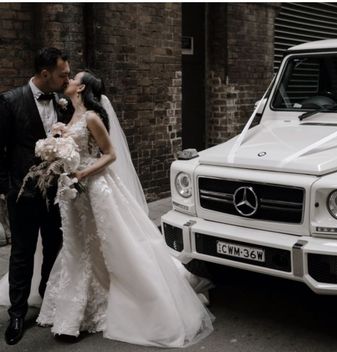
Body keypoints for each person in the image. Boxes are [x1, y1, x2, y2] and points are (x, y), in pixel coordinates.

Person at [36, 71, 214, 347]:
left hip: (94, 189)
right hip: (72, 193)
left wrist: (82, 174)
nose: (68, 80)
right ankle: (74, 311)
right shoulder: (69, 116)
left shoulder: (92, 118)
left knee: (109, 246)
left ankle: (102, 306)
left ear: (81, 87)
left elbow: (110, 154)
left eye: (74, 78)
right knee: (78, 247)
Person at [0, 47, 71, 345]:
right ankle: (17, 313)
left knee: (54, 246)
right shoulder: (10, 101)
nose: (66, 79)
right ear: (45, 74)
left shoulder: (62, 103)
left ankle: (46, 294)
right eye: (62, 74)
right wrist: (6, 189)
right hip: (22, 193)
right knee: (22, 253)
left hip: (55, 193)